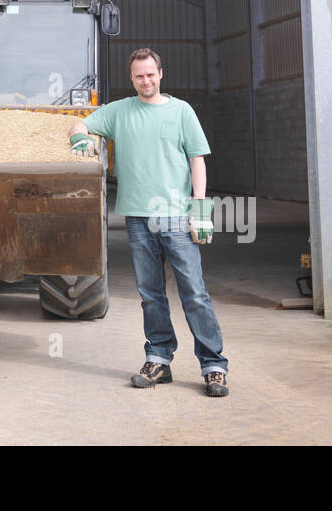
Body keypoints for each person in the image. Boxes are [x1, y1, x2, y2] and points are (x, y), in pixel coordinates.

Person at [68, 47, 229, 397]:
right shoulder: (119, 112)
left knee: (195, 294)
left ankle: (213, 364)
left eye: (150, 74)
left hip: (176, 216)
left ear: (161, 73)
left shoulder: (181, 111)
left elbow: (197, 160)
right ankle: (158, 358)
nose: (146, 81)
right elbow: (80, 121)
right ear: (132, 79)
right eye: (139, 76)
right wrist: (79, 137)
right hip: (138, 219)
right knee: (151, 295)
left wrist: (200, 209)